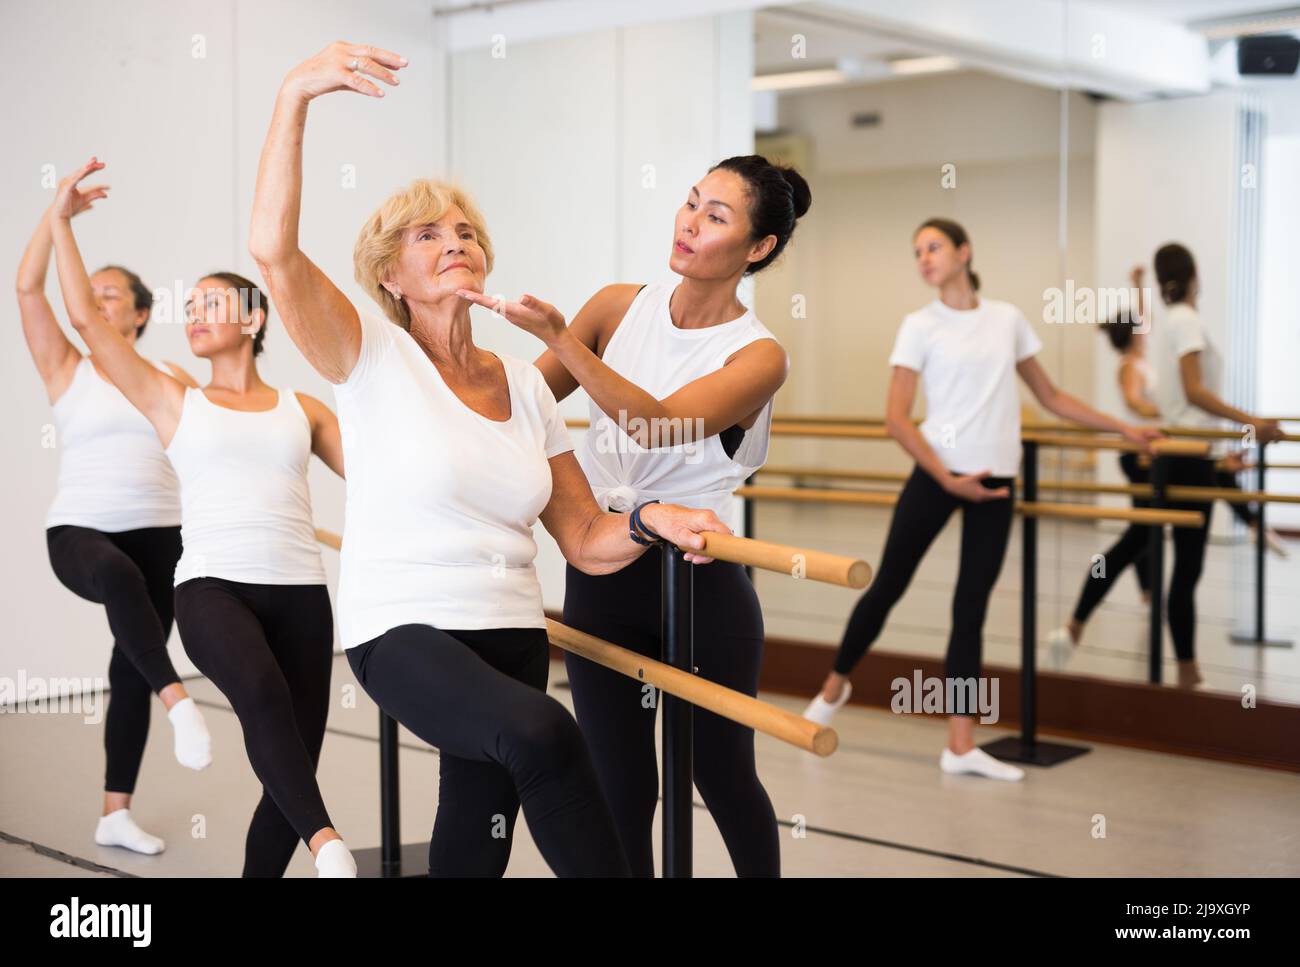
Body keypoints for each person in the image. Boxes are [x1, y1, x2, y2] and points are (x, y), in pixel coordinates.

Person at [249, 40, 732, 877]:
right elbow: (274, 252)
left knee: (474, 842)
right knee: (546, 733)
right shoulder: (368, 355)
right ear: (390, 273)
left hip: (510, 633)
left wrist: (652, 521)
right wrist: (295, 96)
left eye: (465, 232)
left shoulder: (524, 383)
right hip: (404, 631)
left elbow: (583, 535)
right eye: (427, 234)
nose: (454, 241)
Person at [458, 154, 806, 877]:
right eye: (690, 202)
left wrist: (561, 339)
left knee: (723, 773)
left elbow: (659, 426)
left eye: (717, 216)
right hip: (605, 561)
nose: (689, 222)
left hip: (700, 579)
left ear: (758, 248)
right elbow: (526, 407)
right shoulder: (618, 305)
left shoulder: (759, 354)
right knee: (619, 780)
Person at [49, 158, 356, 877]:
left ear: (252, 319)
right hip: (213, 587)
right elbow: (88, 323)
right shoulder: (170, 398)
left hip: (302, 594)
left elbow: (381, 479)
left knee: (290, 768)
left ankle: (281, 858)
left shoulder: (302, 407)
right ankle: (328, 844)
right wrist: (62, 222)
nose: (194, 314)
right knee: (258, 691)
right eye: (189, 307)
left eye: (211, 304)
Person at [803, 218, 1161, 778]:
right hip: (938, 476)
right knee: (888, 585)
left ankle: (961, 745)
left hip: (996, 481)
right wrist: (946, 478)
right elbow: (895, 418)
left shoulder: (1006, 320)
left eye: (934, 246)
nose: (923, 257)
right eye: (916, 249)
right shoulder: (918, 325)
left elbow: (1051, 395)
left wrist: (1125, 429)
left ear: (964, 251)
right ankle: (833, 687)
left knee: (970, 609)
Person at [18, 193, 212, 856]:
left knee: (130, 663)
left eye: (109, 293)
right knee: (116, 577)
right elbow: (27, 286)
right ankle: (180, 698)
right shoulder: (67, 367)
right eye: (89, 292)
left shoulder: (172, 374)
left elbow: (209, 440)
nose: (95, 301)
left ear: (140, 313)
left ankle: (114, 813)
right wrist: (55, 217)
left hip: (163, 534)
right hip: (81, 533)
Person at [1142, 242, 1282, 686]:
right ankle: (1186, 668)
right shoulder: (1186, 321)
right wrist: (1251, 421)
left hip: (1187, 451)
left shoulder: (1174, 321)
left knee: (1165, 557)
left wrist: (1225, 452)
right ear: (1194, 275)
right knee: (1182, 566)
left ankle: (1186, 667)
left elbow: (1189, 406)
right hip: (1186, 453)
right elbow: (1194, 393)